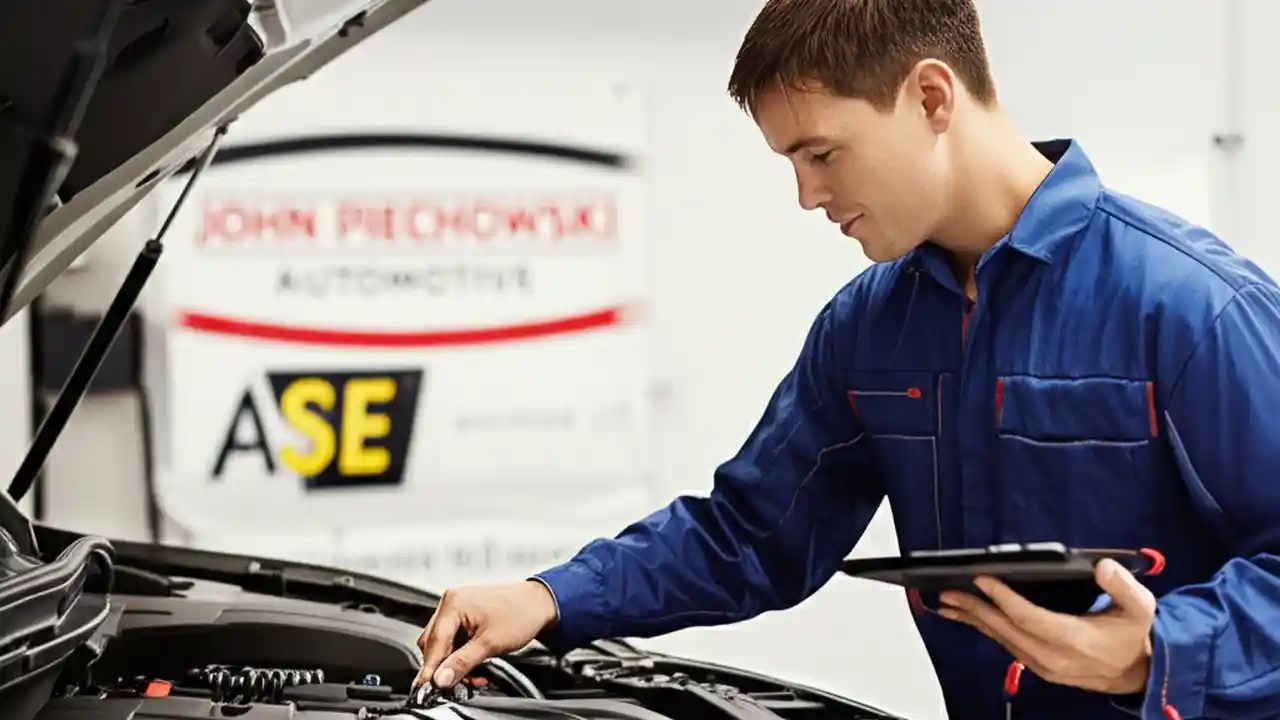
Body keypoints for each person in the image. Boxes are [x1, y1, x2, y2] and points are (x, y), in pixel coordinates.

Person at [414, 1, 1280, 718]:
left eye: (822, 154)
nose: (807, 195)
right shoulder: (870, 327)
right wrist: (551, 598)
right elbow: (749, 532)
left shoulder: (1191, 305)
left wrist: (1162, 651)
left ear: (932, 97)